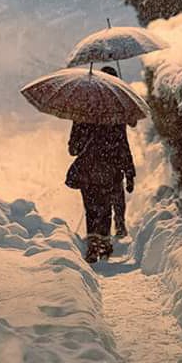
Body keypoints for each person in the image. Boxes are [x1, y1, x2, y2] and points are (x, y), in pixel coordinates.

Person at [65, 115, 136, 264]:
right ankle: (104, 243)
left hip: (87, 172)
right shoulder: (115, 116)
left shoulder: (81, 115)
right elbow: (123, 146)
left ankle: (93, 246)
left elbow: (73, 149)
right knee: (105, 210)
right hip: (110, 171)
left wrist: (85, 142)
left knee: (91, 210)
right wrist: (129, 173)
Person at [101, 65, 134, 239]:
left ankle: (101, 234)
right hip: (115, 159)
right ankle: (119, 223)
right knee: (116, 195)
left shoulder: (91, 104)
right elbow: (124, 140)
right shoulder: (118, 104)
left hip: (97, 162)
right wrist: (129, 173)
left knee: (101, 200)